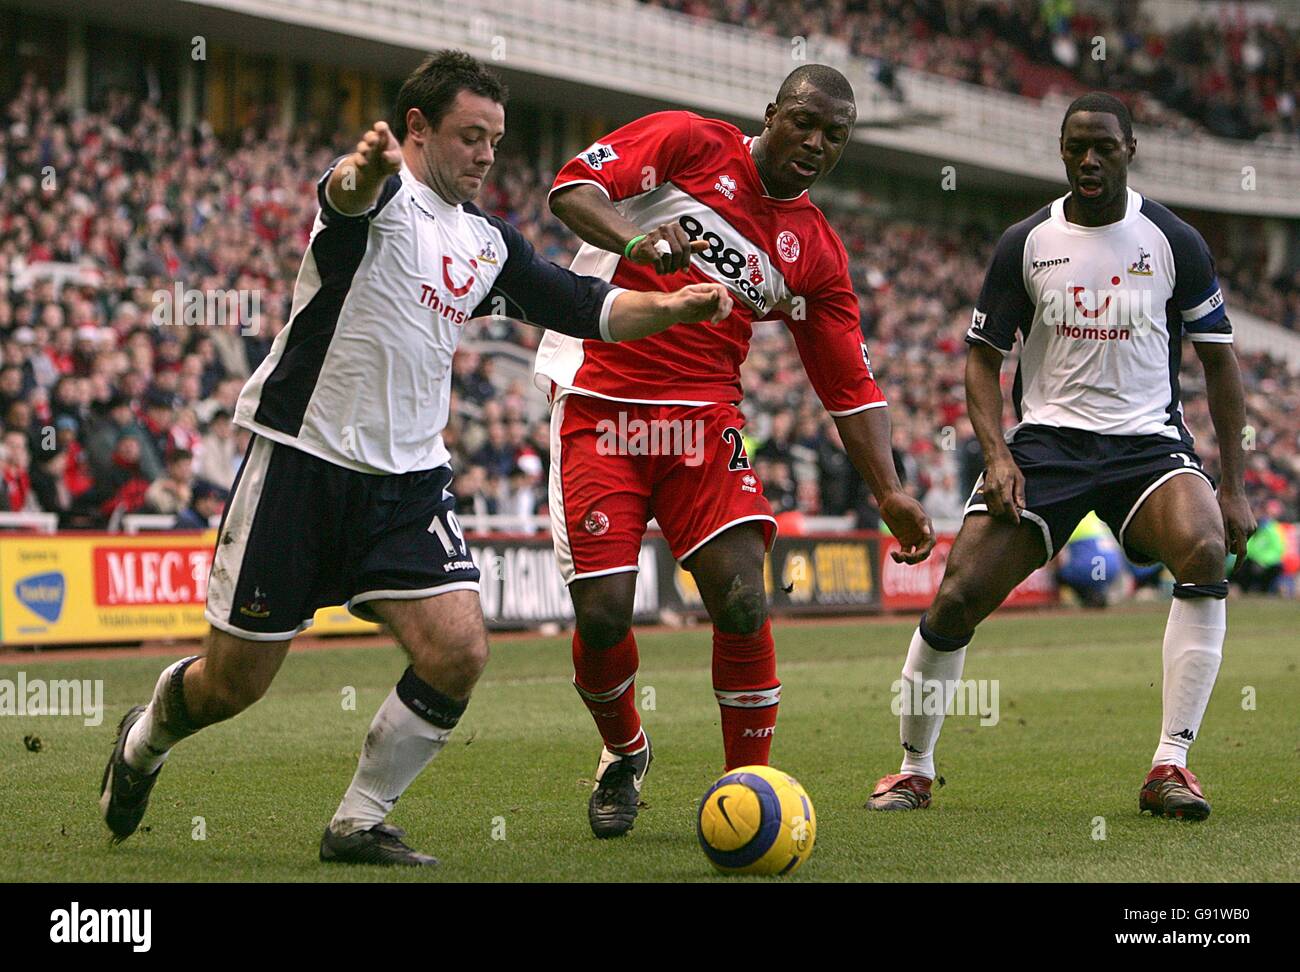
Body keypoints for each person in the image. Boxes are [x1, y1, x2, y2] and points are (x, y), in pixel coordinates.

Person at [99, 49, 733, 867]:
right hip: (302, 462)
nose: (484, 155)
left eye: (496, 142)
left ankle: (358, 821)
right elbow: (346, 194)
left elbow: (579, 304)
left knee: (459, 649)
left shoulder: (485, 242)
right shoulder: (379, 192)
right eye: (471, 136)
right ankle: (144, 742)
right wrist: (364, 171)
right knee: (232, 686)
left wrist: (673, 307)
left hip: (407, 483)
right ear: (417, 129)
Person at [534, 64, 934, 838]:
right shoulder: (687, 143)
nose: (816, 143)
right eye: (804, 123)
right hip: (599, 399)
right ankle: (624, 752)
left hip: (704, 420)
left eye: (835, 135)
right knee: (607, 614)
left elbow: (848, 385)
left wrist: (888, 491)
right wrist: (639, 244)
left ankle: (744, 787)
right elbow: (571, 189)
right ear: (770, 115)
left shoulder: (814, 252)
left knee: (744, 599)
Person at [866, 93, 1256, 821]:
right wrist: (997, 454)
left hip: (1149, 448)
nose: (1087, 159)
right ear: (1061, 150)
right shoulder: (1026, 241)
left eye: (1103, 146)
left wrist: (1232, 485)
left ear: (1129, 150)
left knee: (1205, 550)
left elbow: (1220, 363)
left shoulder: (1173, 240)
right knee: (956, 595)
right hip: (1048, 447)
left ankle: (1170, 764)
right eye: (1075, 146)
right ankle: (913, 769)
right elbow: (982, 359)